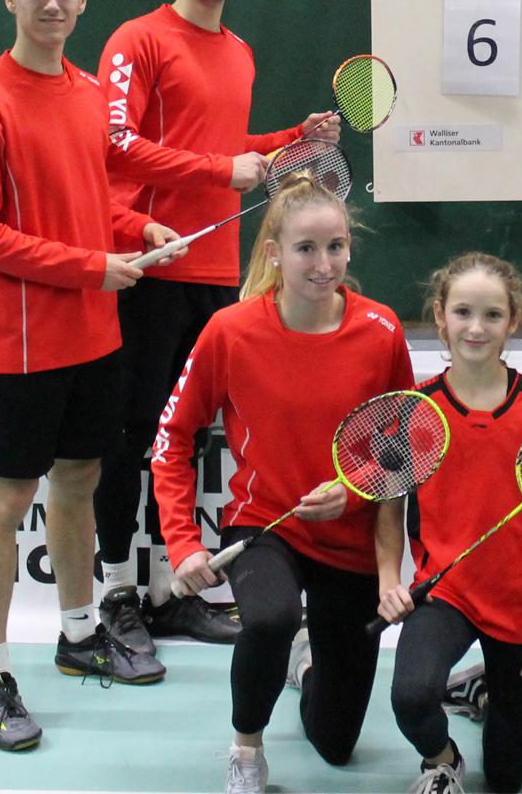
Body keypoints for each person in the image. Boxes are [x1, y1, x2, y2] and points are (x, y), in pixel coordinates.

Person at [0, 0, 176, 752]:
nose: (53, 4)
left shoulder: (86, 94)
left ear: (84, 2)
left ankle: (81, 635)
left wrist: (139, 224)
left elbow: (88, 204)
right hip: (25, 345)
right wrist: (91, 264)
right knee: (8, 499)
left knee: (79, 478)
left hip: (95, 333)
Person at [94, 0, 340, 651]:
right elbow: (114, 149)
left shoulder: (238, 51)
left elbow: (232, 153)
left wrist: (295, 140)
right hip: (148, 267)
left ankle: (174, 590)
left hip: (216, 278)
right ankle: (115, 597)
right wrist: (219, 168)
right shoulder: (136, 41)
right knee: (131, 437)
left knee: (193, 439)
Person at [150, 174, 414, 793]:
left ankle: (307, 666)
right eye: (305, 249)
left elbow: (404, 448)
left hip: (350, 538)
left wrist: (356, 489)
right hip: (266, 526)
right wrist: (183, 543)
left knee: (337, 743)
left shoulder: (381, 331)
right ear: (274, 252)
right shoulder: (231, 331)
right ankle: (246, 753)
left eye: (336, 247)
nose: (324, 265)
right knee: (267, 618)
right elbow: (171, 439)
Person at [375, 254, 522, 794]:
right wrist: (390, 579)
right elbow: (389, 505)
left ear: (512, 321)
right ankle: (444, 758)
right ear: (440, 316)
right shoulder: (417, 409)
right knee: (410, 698)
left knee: (506, 780)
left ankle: (482, 689)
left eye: (491, 315)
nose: (475, 328)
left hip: (519, 604)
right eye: (462, 312)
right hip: (446, 596)